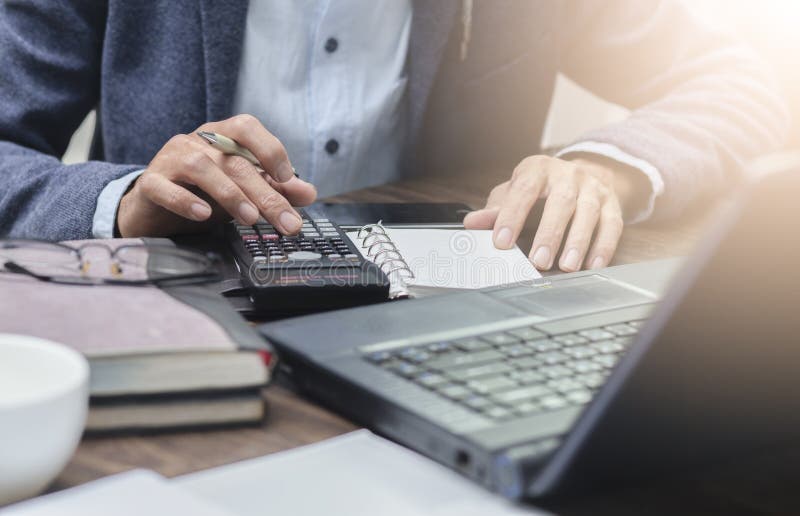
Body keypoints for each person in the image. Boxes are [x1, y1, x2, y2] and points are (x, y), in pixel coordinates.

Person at [0, 0, 788, 272]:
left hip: (449, 321)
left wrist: (611, 165)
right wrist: (125, 200)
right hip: (176, 320)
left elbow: (753, 78)